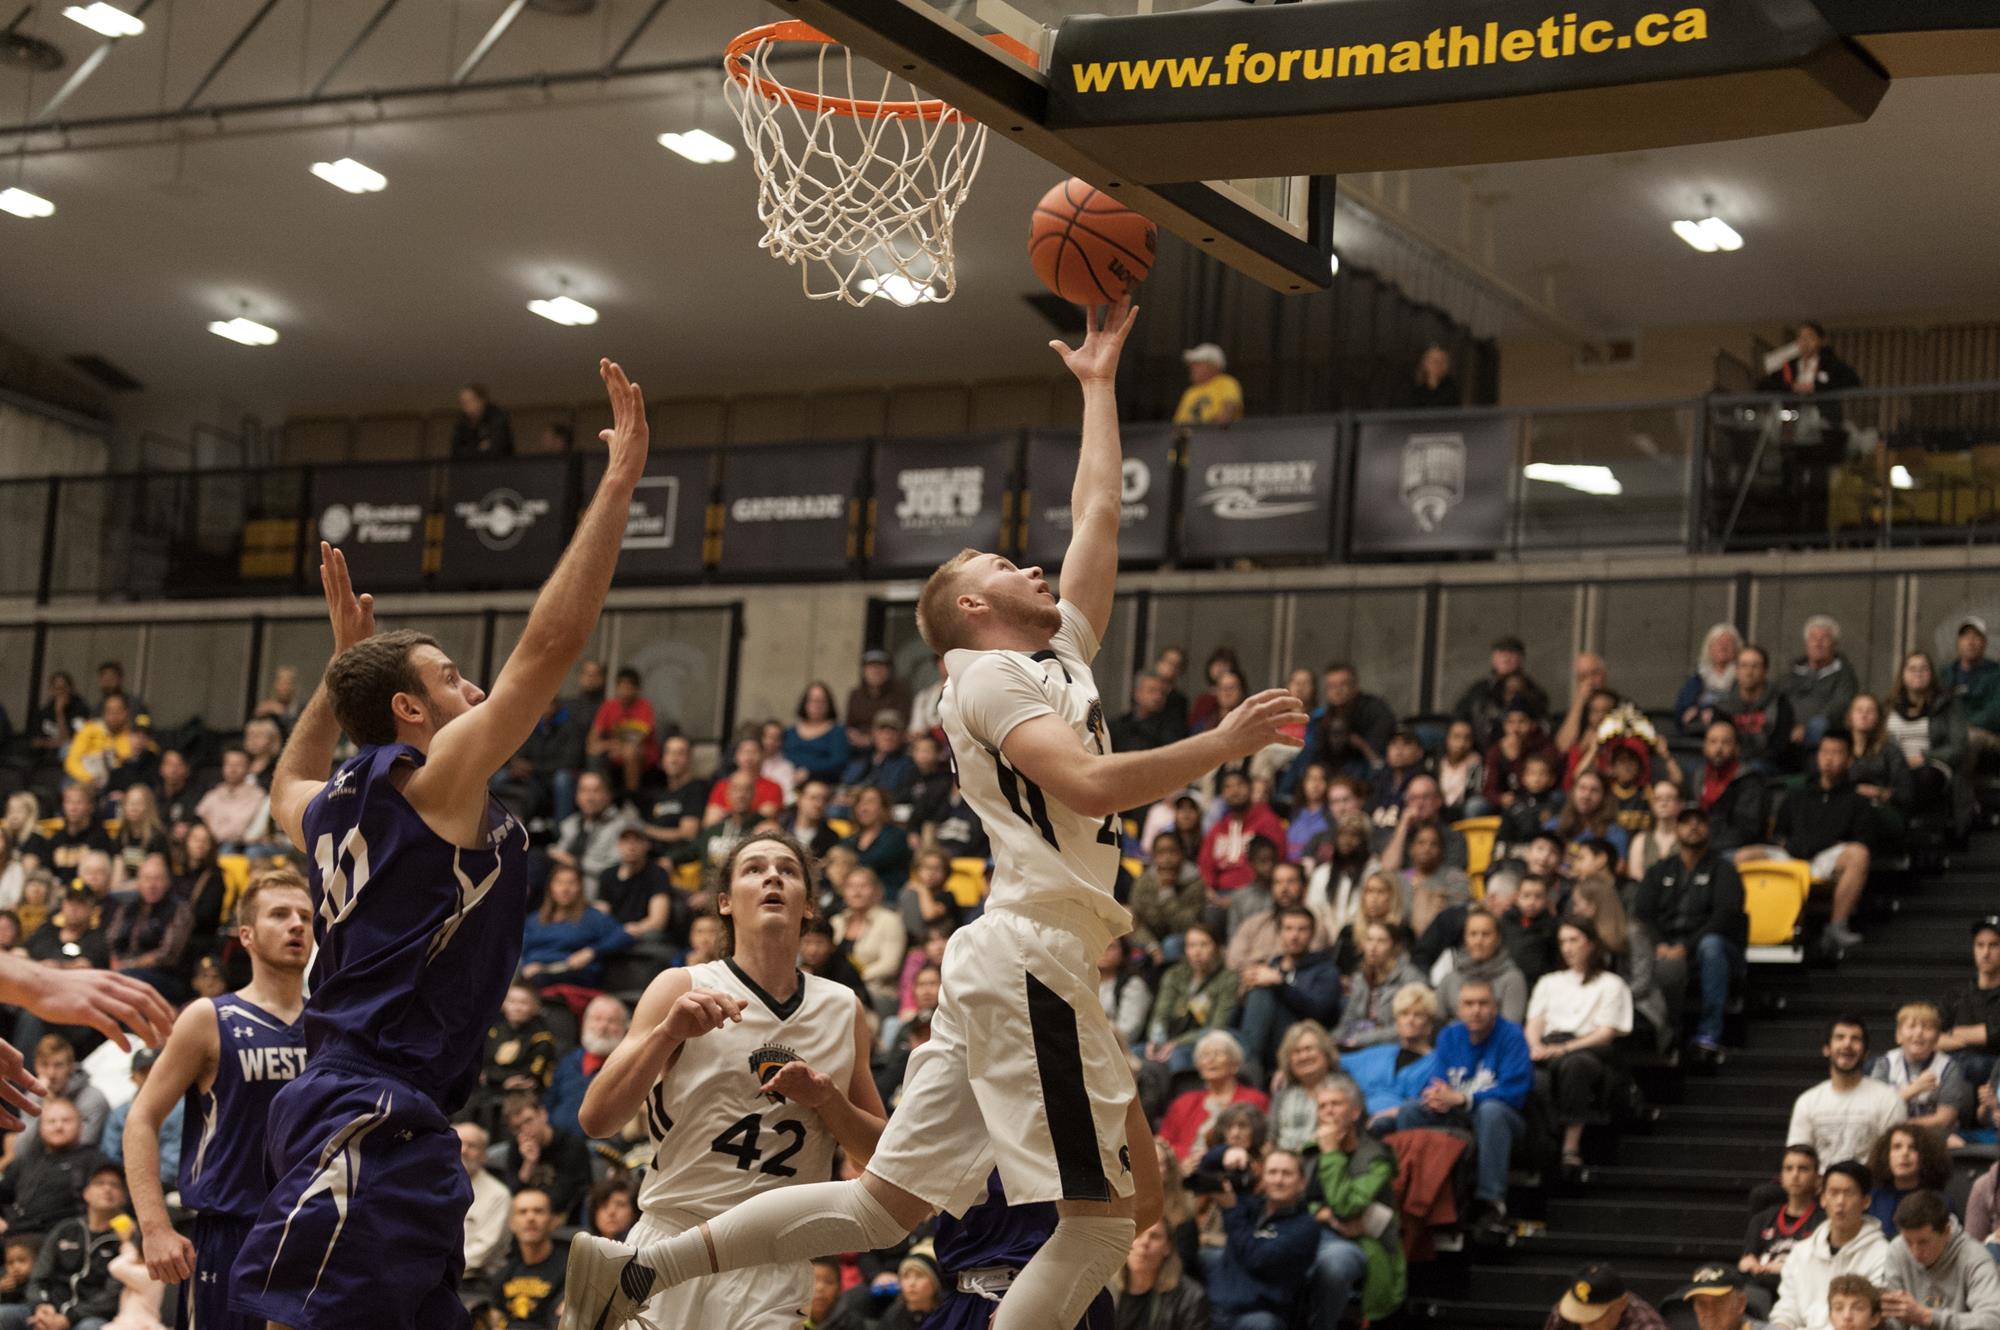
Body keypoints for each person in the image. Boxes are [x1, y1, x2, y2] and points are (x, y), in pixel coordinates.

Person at [566, 302, 1287, 1330]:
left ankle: (636, 1272)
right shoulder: (985, 679)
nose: (1034, 567)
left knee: (883, 1202)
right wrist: (1219, 745)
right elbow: (1084, 786)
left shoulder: (1049, 658)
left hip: (1011, 949)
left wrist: (1095, 387)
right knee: (1099, 1219)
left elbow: (1099, 517)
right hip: (1034, 949)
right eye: (1006, 567)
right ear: (973, 611)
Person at [231, 357, 651, 1330]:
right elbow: (547, 651)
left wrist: (338, 673)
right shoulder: (435, 785)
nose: (473, 693)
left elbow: (281, 784)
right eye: (454, 679)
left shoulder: (331, 803)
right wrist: (618, 483)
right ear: (413, 711)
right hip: (364, 1109)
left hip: (402, 1118)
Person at [565, 832, 885, 1329]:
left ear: (808, 908)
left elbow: (882, 1157)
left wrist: (828, 1100)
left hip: (774, 1258)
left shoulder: (843, 1007)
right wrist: (668, 1034)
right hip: (671, 1242)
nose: (773, 876)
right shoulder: (683, 986)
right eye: (754, 869)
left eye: (788, 870)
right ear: (724, 902)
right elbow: (597, 1119)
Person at [123, 870, 311, 1330]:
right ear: (245, 935)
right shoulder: (210, 1018)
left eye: (306, 916)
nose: (297, 925)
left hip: (313, 1232)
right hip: (230, 1233)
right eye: (280, 914)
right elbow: (142, 1119)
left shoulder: (333, 1021)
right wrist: (153, 1227)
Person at [1395, 978, 1531, 1241]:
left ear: (1495, 1007)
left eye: (1483, 1003)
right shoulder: (1449, 1035)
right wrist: (1435, 1097)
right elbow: (1438, 1081)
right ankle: (1412, 1196)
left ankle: (1490, 1204)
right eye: (1468, 1004)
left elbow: (1515, 1092)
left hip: (1506, 1118)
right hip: (1458, 1113)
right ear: (1458, 1009)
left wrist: (1464, 1098)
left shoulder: (1512, 1035)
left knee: (1491, 1111)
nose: (1476, 1010)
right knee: (1411, 1110)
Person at [1632, 806, 1746, 1057]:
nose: (1693, 826)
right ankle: (1654, 1032)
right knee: (1633, 936)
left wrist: (1686, 947)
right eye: (1686, 822)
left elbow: (1725, 916)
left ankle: (1709, 1032)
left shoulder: (1724, 869)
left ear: (1709, 829)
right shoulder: (1659, 870)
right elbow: (1643, 913)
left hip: (1712, 950)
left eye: (1700, 822)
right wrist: (1659, 943)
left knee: (1711, 945)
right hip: (1665, 947)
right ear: (1676, 829)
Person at [1527, 918, 1634, 1170]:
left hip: (1590, 1049)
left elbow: (1605, 1033)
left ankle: (1570, 1146)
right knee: (1530, 1072)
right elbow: (1535, 1021)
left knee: (1576, 1065)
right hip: (1549, 1043)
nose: (1567, 948)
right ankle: (1540, 1142)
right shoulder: (1549, 981)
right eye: (1563, 941)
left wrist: (1564, 1049)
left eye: (1574, 940)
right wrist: (1534, 1046)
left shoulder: (1611, 983)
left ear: (1591, 944)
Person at [1299, 1076, 1405, 1327]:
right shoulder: (1310, 1151)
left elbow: (1346, 1206)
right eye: (1322, 1106)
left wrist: (1332, 1152)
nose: (1328, 1111)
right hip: (1315, 1231)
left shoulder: (1376, 1157)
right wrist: (1322, 1215)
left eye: (1336, 1104)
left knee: (1333, 1264)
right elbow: (1298, 1201)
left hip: (1363, 1241)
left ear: (1355, 1112)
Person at [0, 1162, 125, 1330]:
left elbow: (112, 1296)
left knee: (91, 1328)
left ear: (124, 1196)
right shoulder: (65, 1229)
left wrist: (69, 1317)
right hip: (48, 1309)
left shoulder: (125, 1238)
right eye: (100, 1183)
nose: (107, 1189)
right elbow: (38, 1277)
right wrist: (41, 1306)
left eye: (114, 1185)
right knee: (4, 1315)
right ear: (86, 1193)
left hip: (88, 1316)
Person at [1769, 1162, 1890, 1330]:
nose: (1840, 1201)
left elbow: (1868, 1317)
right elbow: (1787, 1309)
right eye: (1834, 1193)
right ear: (1823, 1199)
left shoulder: (1882, 1254)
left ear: (1866, 1201)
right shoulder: (1802, 1251)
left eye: (1848, 1193)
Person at [1208, 1150, 1317, 1330]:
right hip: (1218, 1308)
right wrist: (1227, 1152)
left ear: (1302, 1183)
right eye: (1272, 1172)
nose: (1278, 1180)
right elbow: (1205, 1169)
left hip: (1257, 1316)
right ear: (1263, 1179)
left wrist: (1231, 1210)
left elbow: (1258, 1258)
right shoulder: (1251, 1206)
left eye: (1287, 1173)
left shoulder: (1305, 1227)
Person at [1233, 906, 1341, 1085]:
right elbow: (1237, 1022)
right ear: (1279, 932)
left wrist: (1280, 984)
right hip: (1265, 1039)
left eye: (1302, 929)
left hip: (1303, 1037)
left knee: (1262, 991)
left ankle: (1248, 1070)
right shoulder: (1271, 965)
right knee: (1221, 1033)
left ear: (1312, 934)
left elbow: (1319, 1012)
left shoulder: (1325, 970)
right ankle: (1249, 1064)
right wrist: (1242, 997)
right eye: (1288, 929)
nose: (1294, 936)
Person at [1788, 1017, 1907, 1167]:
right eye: (1840, 1037)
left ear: (1865, 1052)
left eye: (1855, 1039)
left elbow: (1893, 1159)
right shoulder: (1807, 1102)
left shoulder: (1889, 1100)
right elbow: (1797, 1159)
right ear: (1826, 1049)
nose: (1847, 1044)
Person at [1879, 1189, 2000, 1330]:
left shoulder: (1975, 1258)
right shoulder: (1897, 1249)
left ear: (1947, 1232)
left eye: (1923, 1242)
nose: (1915, 1251)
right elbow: (1893, 1323)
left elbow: (1993, 1321)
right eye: (1908, 1241)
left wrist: (1927, 1316)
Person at [520, 863, 633, 991]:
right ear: (550, 887)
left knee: (536, 980)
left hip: (571, 973)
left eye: (571, 883)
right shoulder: (534, 919)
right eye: (559, 883)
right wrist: (528, 965)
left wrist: (592, 951)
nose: (565, 889)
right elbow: (522, 950)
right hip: (533, 972)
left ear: (580, 887)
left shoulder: (593, 917)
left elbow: (624, 935)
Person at [1743, 1146, 1826, 1319]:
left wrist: (1786, 1267)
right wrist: (1754, 1264)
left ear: (1818, 1180)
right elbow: (1746, 1260)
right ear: (1781, 1177)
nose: (1795, 1174)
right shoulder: (1762, 1218)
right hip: (1761, 1288)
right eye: (1789, 1168)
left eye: (1803, 1168)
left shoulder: (1824, 1221)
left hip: (1802, 1290)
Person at [1143, 924, 1238, 1074]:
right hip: (1169, 1037)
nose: (1197, 951)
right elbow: (1160, 1014)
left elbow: (1217, 1026)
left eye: (1204, 945)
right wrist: (1155, 1041)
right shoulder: (1174, 974)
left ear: (1217, 947)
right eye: (1191, 945)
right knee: (1135, 1053)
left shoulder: (1228, 979)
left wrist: (1176, 1043)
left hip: (1201, 1041)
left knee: (1177, 1055)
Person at [1871, 1003, 1971, 1143]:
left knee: (1955, 1143)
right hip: (1891, 1135)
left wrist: (1906, 1126)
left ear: (1937, 1038)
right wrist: (1914, 1089)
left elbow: (1945, 1119)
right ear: (1898, 1035)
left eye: (1927, 1027)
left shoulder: (1949, 1067)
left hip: (1931, 1135)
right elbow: (1875, 1109)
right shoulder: (1885, 1063)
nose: (1918, 1033)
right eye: (1911, 1026)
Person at [546, 995, 627, 1140]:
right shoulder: (568, 1060)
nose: (603, 1027)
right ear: (584, 1023)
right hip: (557, 1143)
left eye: (611, 1021)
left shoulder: (628, 1066)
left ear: (624, 1028)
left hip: (602, 1147)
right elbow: (549, 1102)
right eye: (597, 1019)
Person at [1779, 617, 1860, 753]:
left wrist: (1805, 727)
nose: (1818, 644)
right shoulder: (1791, 675)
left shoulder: (1845, 676)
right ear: (1806, 644)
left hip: (1824, 737)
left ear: (1834, 644)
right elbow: (1779, 702)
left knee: (1820, 725)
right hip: (1788, 732)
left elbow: (1839, 706)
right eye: (1813, 639)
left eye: (1824, 639)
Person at [1111, 1221, 1208, 1330]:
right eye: (1138, 1234)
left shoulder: (1190, 1297)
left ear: (1167, 1247)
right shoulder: (1103, 1288)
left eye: (1154, 1236)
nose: (1145, 1242)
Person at [1940, 917, 2000, 1086]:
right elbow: (1933, 1038)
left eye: (1993, 945)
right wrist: (1967, 1040)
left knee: (1975, 1065)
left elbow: (1991, 1035)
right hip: (1959, 1066)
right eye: (1980, 945)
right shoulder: (1955, 994)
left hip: (1995, 1071)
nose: (1986, 952)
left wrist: (1951, 1035)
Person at [494, 1189, 565, 1328]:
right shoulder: (503, 1273)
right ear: (512, 1223)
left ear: (553, 1221)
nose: (530, 1218)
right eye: (522, 1212)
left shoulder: (571, 1271)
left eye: (538, 1211)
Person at [1721, 647, 1796, 773]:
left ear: (1765, 670)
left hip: (1767, 766)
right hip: (1731, 763)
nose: (1749, 672)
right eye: (1744, 666)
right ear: (1736, 671)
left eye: (1755, 666)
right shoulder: (1723, 706)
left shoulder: (1780, 703)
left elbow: (1779, 748)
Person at [457, 1123, 512, 1285]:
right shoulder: (431, 1185)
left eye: (472, 1146)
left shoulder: (498, 1195)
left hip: (476, 1280)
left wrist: (439, 1267)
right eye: (459, 1143)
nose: (463, 1150)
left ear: (484, 1155)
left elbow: (483, 1252)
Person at [1948, 618, 2000, 772]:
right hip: (1951, 731)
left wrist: (1963, 726)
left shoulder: (1996, 673)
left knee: (1967, 739)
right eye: (1966, 636)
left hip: (1988, 735)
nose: (1970, 642)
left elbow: (1994, 714)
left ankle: (1959, 793)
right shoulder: (1947, 674)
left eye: (1976, 636)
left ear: (1984, 642)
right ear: (1958, 642)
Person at [1679, 624, 1746, 737]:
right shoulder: (1699, 676)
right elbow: (1684, 705)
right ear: (1709, 648)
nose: (1723, 647)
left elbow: (1739, 704)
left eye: (1728, 643)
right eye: (1718, 643)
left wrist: (1713, 711)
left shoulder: (1742, 676)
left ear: (1737, 649)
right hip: (1698, 728)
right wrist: (1699, 710)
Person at [843, 650, 913, 750]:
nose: (876, 671)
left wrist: (872, 739)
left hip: (891, 746)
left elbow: (904, 726)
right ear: (864, 671)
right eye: (871, 667)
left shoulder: (900, 694)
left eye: (880, 667)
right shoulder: (855, 695)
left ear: (889, 671)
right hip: (858, 747)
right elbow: (849, 725)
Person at [785, 683, 852, 787]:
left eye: (822, 701)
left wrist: (809, 771)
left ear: (829, 704)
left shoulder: (837, 732)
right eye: (812, 700)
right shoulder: (790, 732)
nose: (817, 705)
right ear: (805, 703)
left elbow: (838, 762)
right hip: (789, 782)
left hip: (824, 786)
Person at [1172, 342, 1242, 425]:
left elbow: (1229, 407)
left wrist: (1220, 418)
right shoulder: (1190, 392)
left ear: (1213, 366)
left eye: (1197, 364)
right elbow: (1178, 424)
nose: (1191, 368)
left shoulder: (1226, 382)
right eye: (1191, 365)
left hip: (1218, 436)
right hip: (1192, 436)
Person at [451, 383, 515, 459]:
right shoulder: (461, 423)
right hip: (468, 468)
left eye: (471, 400)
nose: (467, 405)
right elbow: (456, 452)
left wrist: (471, 449)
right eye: (463, 402)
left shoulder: (497, 417)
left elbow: (497, 448)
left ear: (482, 400)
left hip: (498, 467)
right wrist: (479, 447)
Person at [1406, 344, 1459, 409]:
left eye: (1441, 361)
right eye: (1434, 361)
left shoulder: (1451, 390)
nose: (1437, 365)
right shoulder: (1414, 388)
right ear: (1425, 363)